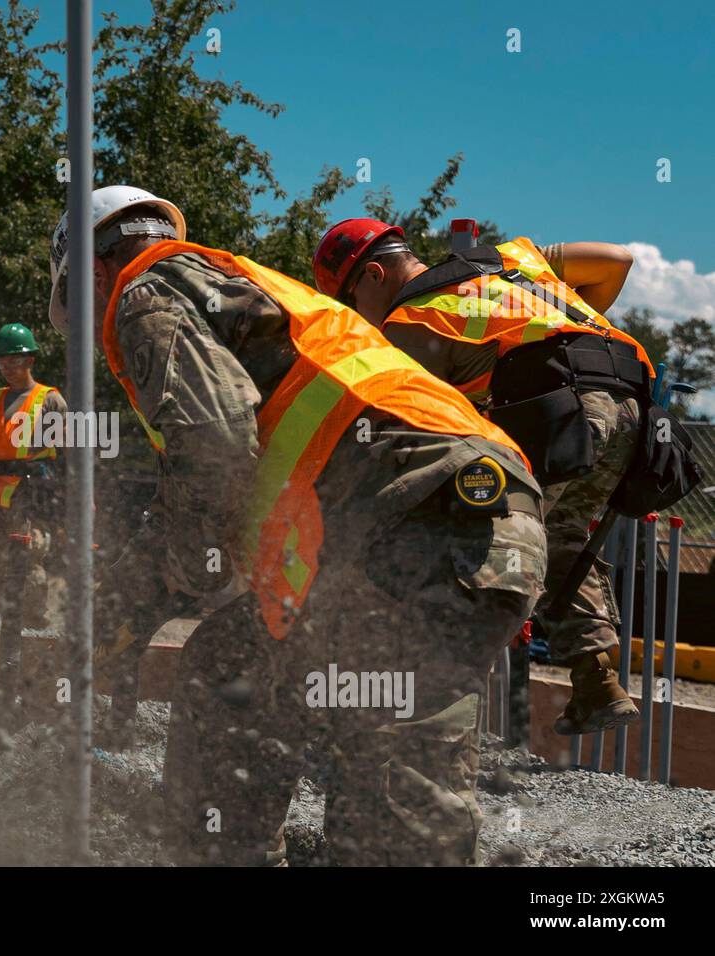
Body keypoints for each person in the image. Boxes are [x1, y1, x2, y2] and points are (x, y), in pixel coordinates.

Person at [49, 185, 547, 865]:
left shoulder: (146, 290)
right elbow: (220, 467)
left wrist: (180, 578)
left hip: (420, 518)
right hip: (455, 515)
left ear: (96, 270)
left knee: (386, 801)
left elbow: (212, 442)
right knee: (228, 670)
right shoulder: (246, 290)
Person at [313, 220, 651, 734]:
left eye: (351, 304)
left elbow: (400, 430)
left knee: (485, 544)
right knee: (557, 537)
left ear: (372, 276)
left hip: (563, 411)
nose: (361, 320)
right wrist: (552, 332)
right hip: (635, 408)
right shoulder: (511, 258)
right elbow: (615, 259)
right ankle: (597, 680)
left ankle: (437, 710)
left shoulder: (410, 322)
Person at [0, 323, 66, 706]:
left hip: (32, 491)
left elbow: (69, 453)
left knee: (29, 557)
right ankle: (9, 622)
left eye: (16, 358)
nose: (9, 365)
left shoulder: (50, 400)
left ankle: (34, 625)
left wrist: (72, 496)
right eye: (3, 359)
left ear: (31, 358)